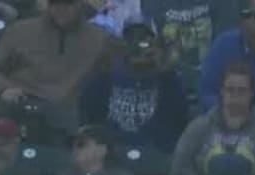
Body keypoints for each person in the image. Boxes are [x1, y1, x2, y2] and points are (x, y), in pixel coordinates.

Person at [0, 0, 121, 136]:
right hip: (22, 101)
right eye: (55, 2)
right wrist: (4, 89)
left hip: (68, 109)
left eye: (68, 2)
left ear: (81, 4)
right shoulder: (19, 30)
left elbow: (116, 73)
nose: (61, 8)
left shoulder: (101, 39)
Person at [79, 18, 190, 153]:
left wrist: (163, 69)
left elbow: (180, 122)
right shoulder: (104, 79)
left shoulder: (168, 80)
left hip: (157, 159)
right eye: (131, 39)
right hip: (113, 159)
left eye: (144, 40)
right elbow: (89, 122)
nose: (137, 46)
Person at [142, 0, 239, 81]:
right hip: (165, 85)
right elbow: (146, 49)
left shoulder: (225, 3)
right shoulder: (151, 3)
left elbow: (228, 52)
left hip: (213, 85)